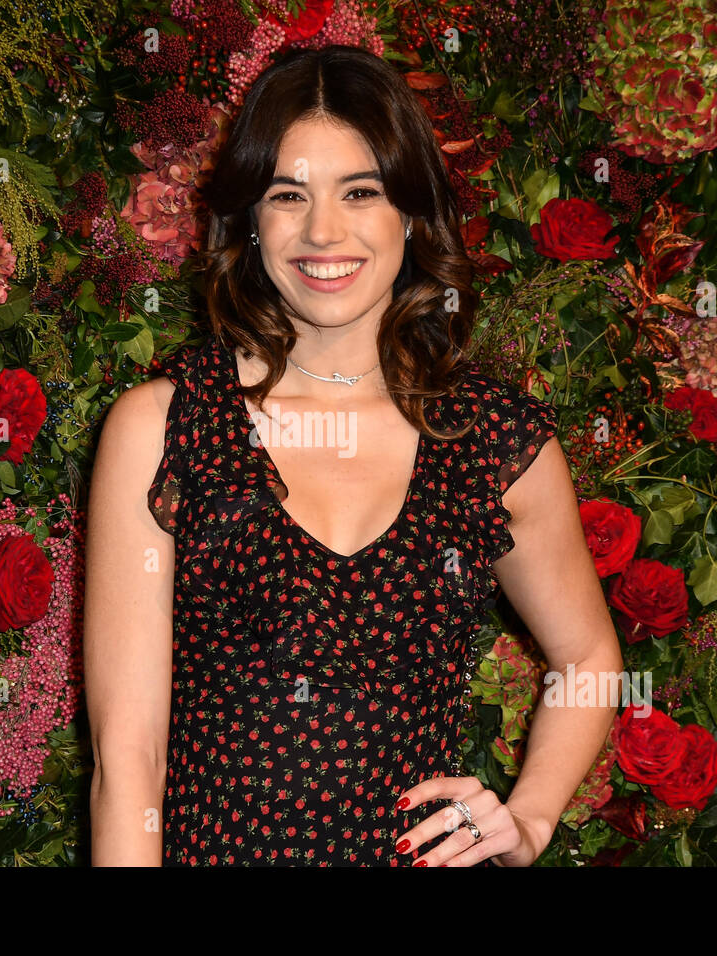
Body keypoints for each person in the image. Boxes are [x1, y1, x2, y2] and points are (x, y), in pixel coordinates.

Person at [85, 44, 622, 866]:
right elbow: (129, 764)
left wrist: (531, 818)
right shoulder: (166, 427)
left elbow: (588, 657)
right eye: (287, 195)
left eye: (360, 192)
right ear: (250, 222)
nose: (322, 231)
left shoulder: (491, 438)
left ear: (409, 213)